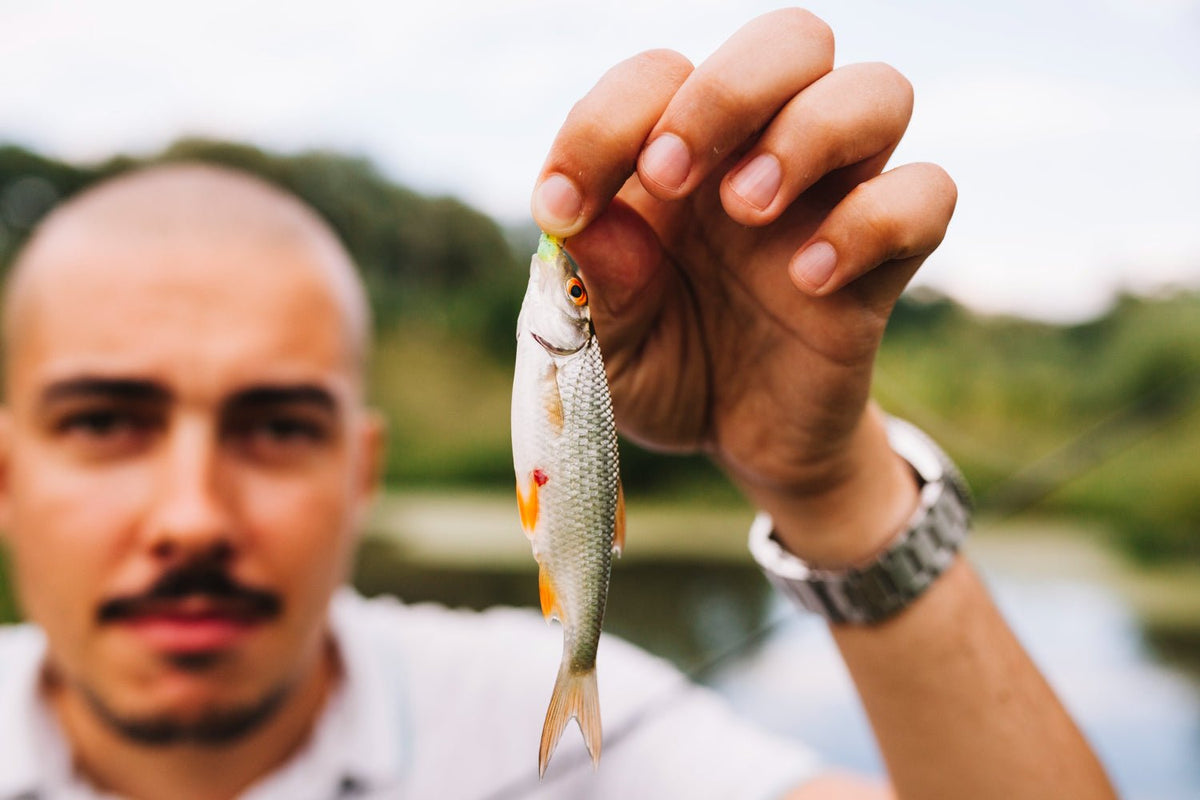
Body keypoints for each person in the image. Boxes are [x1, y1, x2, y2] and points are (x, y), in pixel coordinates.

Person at [0, 8, 1117, 800]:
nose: (191, 514)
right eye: (105, 422)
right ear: (5, 475)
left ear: (362, 472)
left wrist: (832, 487)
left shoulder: (584, 725)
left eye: (278, 426)